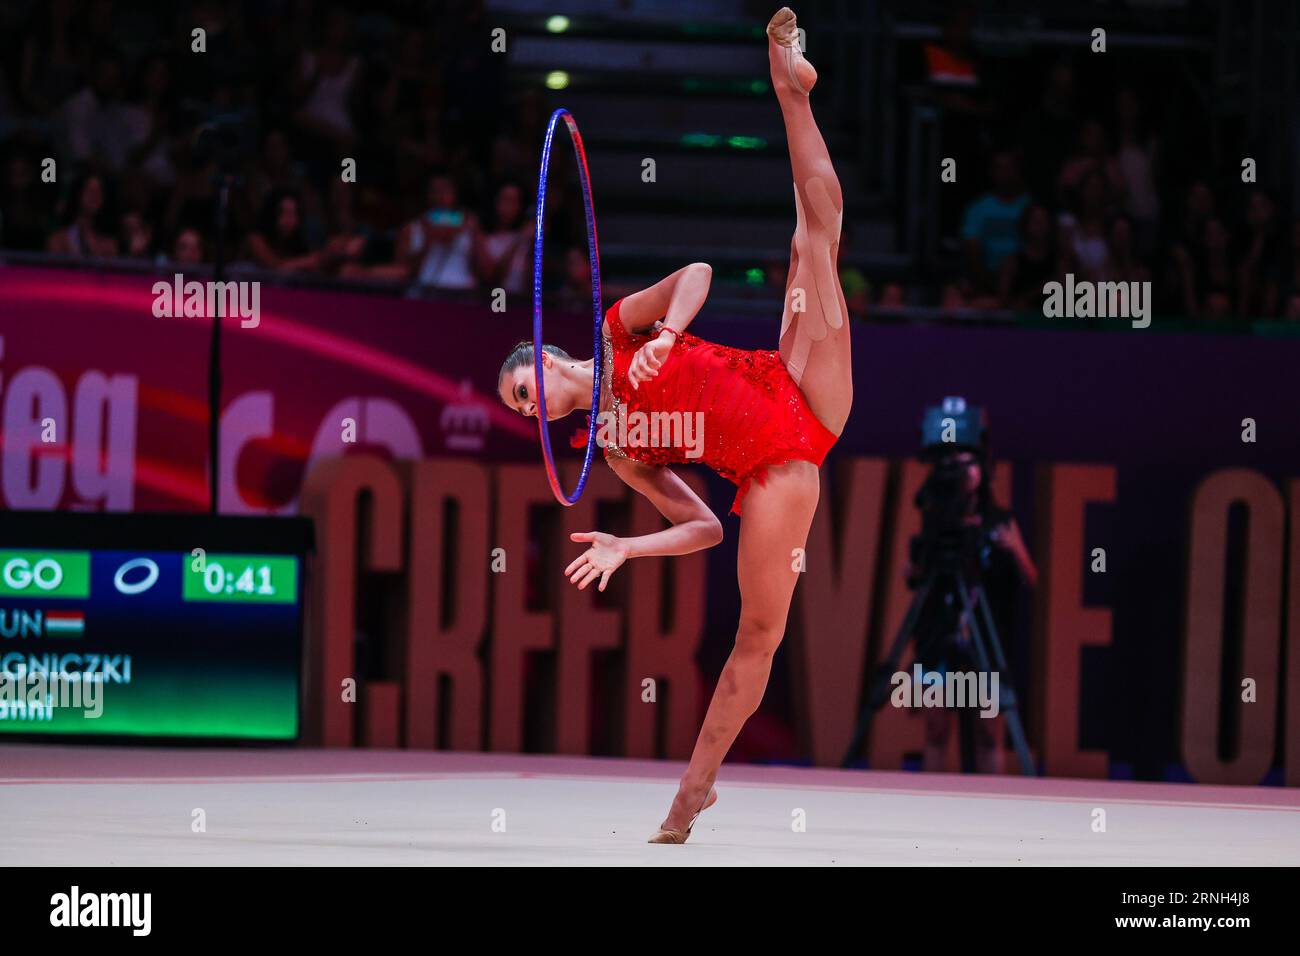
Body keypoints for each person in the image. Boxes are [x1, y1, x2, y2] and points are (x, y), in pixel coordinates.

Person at [496, 8, 851, 843]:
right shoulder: (616, 451)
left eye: (526, 385)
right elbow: (699, 528)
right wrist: (627, 547)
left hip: (785, 378)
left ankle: (789, 90)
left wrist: (662, 337)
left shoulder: (617, 328)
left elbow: (698, 271)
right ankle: (694, 791)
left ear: (548, 356)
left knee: (816, 242)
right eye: (520, 408)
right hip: (777, 463)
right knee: (755, 638)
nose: (533, 404)